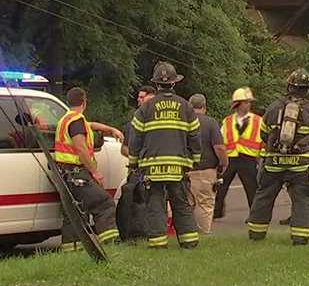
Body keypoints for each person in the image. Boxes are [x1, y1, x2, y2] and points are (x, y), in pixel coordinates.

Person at [247, 68, 309, 245]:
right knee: (302, 199)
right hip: (300, 165)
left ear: (289, 86)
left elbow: (263, 133)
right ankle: (300, 238)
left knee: (263, 196)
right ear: (308, 89)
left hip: (274, 163)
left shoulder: (274, 107)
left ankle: (256, 234)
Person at [128, 61, 201, 249]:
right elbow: (194, 136)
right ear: (174, 83)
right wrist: (195, 159)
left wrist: (134, 162)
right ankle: (189, 242)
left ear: (156, 84)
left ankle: (158, 243)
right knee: (181, 203)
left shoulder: (145, 108)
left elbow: (135, 138)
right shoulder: (186, 107)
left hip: (153, 167)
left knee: (155, 204)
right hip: (178, 166)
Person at [55, 87, 123, 252]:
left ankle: (72, 249)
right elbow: (81, 149)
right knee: (104, 203)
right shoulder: (76, 120)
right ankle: (111, 243)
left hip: (66, 174)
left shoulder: (67, 119)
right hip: (77, 173)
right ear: (84, 102)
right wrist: (95, 172)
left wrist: (111, 129)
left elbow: (90, 125)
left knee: (75, 211)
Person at [213, 87, 262, 220]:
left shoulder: (258, 120)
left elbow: (263, 140)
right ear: (237, 104)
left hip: (248, 158)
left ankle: (255, 215)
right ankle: (217, 211)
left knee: (252, 188)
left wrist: (261, 159)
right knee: (221, 186)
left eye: (249, 102)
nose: (249, 105)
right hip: (231, 158)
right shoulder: (227, 121)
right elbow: (221, 139)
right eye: (246, 102)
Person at [116, 85, 156, 241]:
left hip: (154, 169)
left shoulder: (158, 120)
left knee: (153, 201)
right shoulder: (133, 123)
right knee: (133, 202)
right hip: (136, 171)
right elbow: (124, 149)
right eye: (138, 97)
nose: (139, 100)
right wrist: (137, 156)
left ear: (151, 98)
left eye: (142, 97)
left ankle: (152, 232)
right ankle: (134, 233)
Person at [187, 93, 228, 234]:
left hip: (184, 169)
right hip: (205, 170)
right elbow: (219, 147)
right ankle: (203, 234)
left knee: (187, 204)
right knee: (204, 204)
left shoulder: (183, 121)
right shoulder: (210, 123)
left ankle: (187, 234)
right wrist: (224, 163)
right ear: (204, 107)